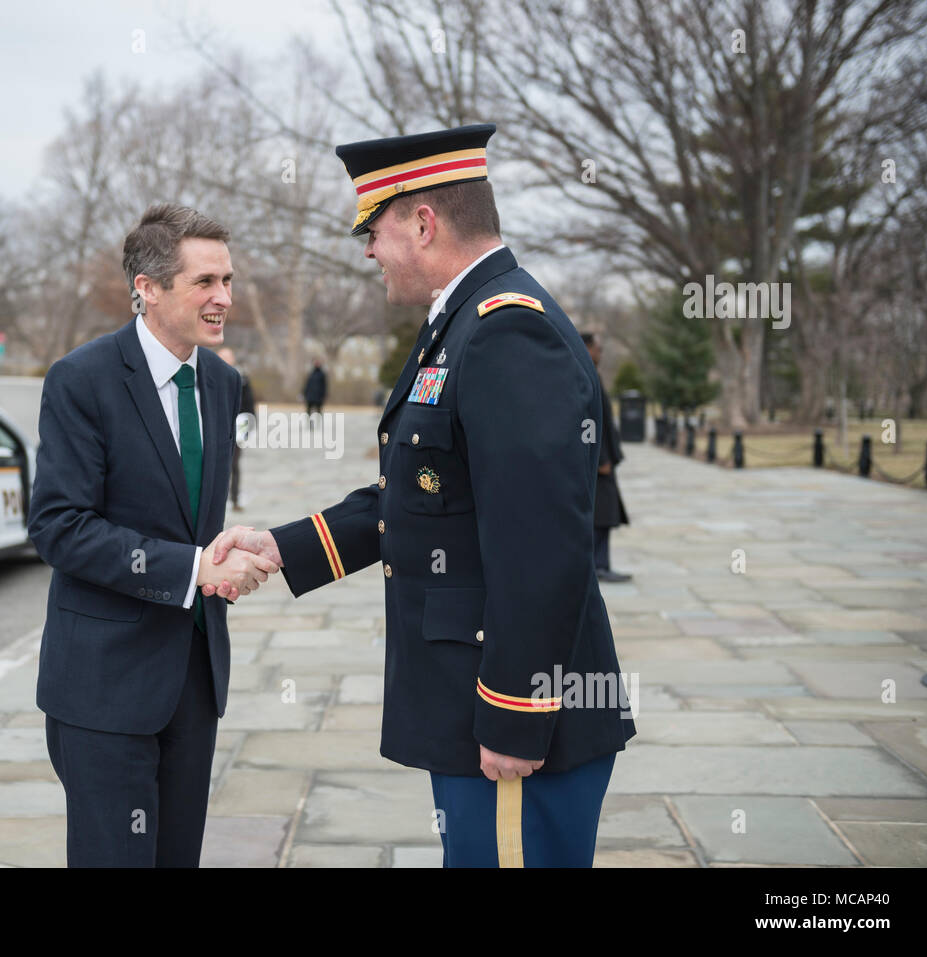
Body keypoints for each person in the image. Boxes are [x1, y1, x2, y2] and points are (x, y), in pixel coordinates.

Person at [208, 124, 635, 867]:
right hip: (476, 706)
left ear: (423, 222)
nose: (368, 249)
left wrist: (516, 711)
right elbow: (416, 493)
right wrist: (283, 546)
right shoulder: (464, 323)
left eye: (372, 230)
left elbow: (543, 547)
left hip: (511, 722)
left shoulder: (505, 333)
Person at [27, 204, 279, 867]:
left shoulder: (223, 383)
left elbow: (190, 522)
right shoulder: (82, 380)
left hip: (194, 681)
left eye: (227, 279)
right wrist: (192, 567)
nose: (224, 297)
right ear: (148, 288)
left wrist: (223, 548)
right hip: (104, 688)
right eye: (205, 282)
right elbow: (59, 526)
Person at [582, 332, 632, 582]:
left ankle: (600, 563)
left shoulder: (591, 373)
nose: (600, 353)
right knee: (601, 514)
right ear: (588, 348)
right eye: (598, 348)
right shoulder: (583, 373)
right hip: (597, 461)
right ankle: (597, 565)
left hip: (604, 458)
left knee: (605, 513)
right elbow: (588, 420)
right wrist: (599, 459)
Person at [217, 347, 254, 512]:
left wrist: (246, 430)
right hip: (215, 429)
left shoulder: (242, 379)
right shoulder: (208, 377)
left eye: (227, 358)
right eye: (221, 358)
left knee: (233, 465)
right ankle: (216, 501)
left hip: (237, 428)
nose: (225, 361)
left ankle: (235, 498)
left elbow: (249, 407)